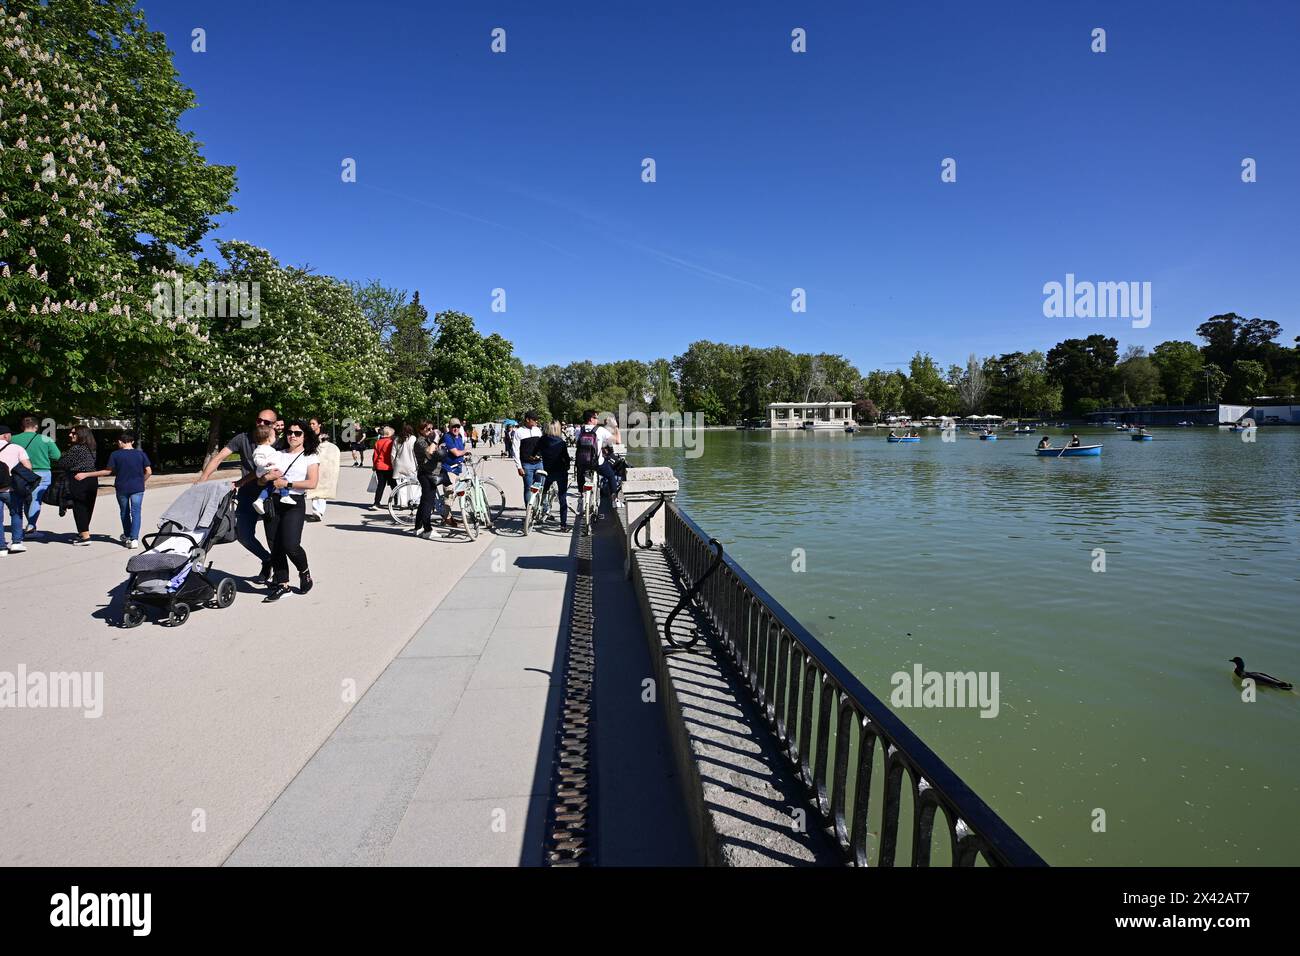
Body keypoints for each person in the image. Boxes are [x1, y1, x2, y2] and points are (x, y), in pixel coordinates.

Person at [195, 408, 280, 581]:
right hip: (248, 494)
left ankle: (280, 577)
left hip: (271, 494)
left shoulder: (279, 444)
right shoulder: (242, 438)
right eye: (259, 420)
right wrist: (202, 479)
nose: (261, 424)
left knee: (274, 539)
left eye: (266, 422)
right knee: (244, 536)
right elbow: (219, 458)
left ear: (274, 425)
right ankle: (267, 560)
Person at [259, 420, 319, 602]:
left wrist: (287, 484)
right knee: (275, 545)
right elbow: (261, 480)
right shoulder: (277, 454)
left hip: (294, 502)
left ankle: (304, 571)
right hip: (273, 502)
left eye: (297, 433)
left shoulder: (310, 456)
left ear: (305, 436)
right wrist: (267, 477)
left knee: (290, 545)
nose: (293, 435)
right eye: (290, 432)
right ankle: (282, 584)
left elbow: (312, 483)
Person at [79, 430, 152, 548]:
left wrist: (86, 474)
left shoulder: (115, 454)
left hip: (122, 487)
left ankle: (127, 535)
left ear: (120, 442)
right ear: (132, 441)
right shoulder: (141, 454)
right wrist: (141, 481)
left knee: (124, 512)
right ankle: (134, 539)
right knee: (136, 512)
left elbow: (107, 471)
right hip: (138, 487)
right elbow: (149, 471)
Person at [9, 415, 61, 538]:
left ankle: (31, 526)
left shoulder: (13, 439)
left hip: (20, 473)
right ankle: (31, 526)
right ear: (36, 427)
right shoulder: (46, 439)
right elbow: (57, 456)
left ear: (22, 426)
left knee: (27, 499)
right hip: (42, 472)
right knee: (35, 499)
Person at [573, 409, 618, 520]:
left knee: (580, 475)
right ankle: (614, 500)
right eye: (596, 417)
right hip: (597, 464)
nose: (597, 419)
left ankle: (581, 497)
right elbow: (618, 440)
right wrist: (615, 427)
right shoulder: (600, 430)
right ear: (591, 419)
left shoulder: (579, 430)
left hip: (582, 463)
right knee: (611, 475)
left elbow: (577, 443)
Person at [61, 425, 100, 546]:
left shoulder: (76, 449)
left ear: (81, 435)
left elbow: (63, 463)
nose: (70, 435)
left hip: (78, 478)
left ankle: (85, 536)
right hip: (92, 479)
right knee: (88, 506)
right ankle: (83, 531)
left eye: (74, 433)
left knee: (80, 507)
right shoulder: (91, 448)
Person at [0, 424, 35, 555]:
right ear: (6, 435)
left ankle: (1, 547)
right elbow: (28, 467)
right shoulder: (16, 448)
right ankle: (16, 543)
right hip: (12, 488)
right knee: (16, 514)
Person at [245, 424, 287, 515]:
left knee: (270, 487)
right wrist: (265, 463)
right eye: (274, 436)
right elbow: (257, 460)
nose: (275, 438)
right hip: (266, 471)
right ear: (269, 439)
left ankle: (260, 500)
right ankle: (284, 495)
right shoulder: (260, 449)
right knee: (281, 481)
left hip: (269, 470)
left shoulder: (268, 448)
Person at [412, 421, 443, 540]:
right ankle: (427, 530)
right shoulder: (420, 441)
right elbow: (430, 452)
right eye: (427, 429)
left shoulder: (427, 440)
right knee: (428, 504)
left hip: (431, 474)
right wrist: (435, 439)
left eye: (431, 428)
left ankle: (417, 527)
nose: (430, 431)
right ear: (420, 430)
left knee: (424, 502)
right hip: (426, 474)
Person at [538, 421, 572, 530]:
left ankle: (542, 510)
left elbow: (534, 453)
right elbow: (566, 457)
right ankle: (563, 524)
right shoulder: (561, 442)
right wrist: (567, 466)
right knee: (562, 497)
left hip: (547, 471)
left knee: (543, 492)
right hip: (560, 471)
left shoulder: (542, 440)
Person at [438, 418, 468, 526]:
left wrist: (464, 455)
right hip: (448, 469)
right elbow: (455, 453)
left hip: (457, 469)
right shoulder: (447, 437)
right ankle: (447, 518)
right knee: (450, 493)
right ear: (449, 428)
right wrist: (465, 452)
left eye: (457, 427)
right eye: (453, 427)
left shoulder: (459, 437)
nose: (455, 429)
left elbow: (460, 451)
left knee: (456, 492)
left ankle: (446, 515)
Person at [513, 411, 545, 508]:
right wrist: (519, 466)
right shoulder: (519, 432)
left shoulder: (538, 430)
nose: (536, 421)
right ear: (527, 420)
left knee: (541, 487)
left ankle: (542, 508)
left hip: (539, 463)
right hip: (527, 465)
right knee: (528, 488)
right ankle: (529, 511)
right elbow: (515, 450)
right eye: (534, 420)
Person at [308, 429, 340, 522]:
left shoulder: (317, 447)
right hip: (326, 472)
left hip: (318, 470)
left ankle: (317, 512)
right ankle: (319, 511)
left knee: (316, 492)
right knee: (322, 493)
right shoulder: (333, 447)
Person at [370, 426, 396, 509]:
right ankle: (397, 501)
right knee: (394, 485)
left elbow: (375, 455)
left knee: (381, 485)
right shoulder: (391, 442)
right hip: (389, 467)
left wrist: (374, 465)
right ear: (389, 434)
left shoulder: (378, 442)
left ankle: (376, 503)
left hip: (379, 466)